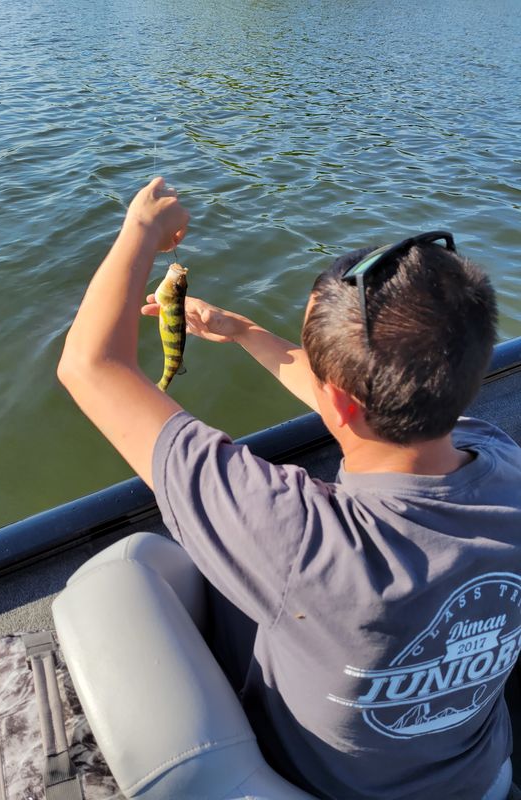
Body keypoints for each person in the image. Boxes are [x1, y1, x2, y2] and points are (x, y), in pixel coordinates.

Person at [57, 177, 521, 800]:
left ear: (336, 400)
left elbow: (89, 366)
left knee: (128, 572)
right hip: (483, 779)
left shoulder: (296, 537)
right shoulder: (501, 458)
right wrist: (244, 332)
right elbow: (363, 396)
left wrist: (140, 231)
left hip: (330, 789)